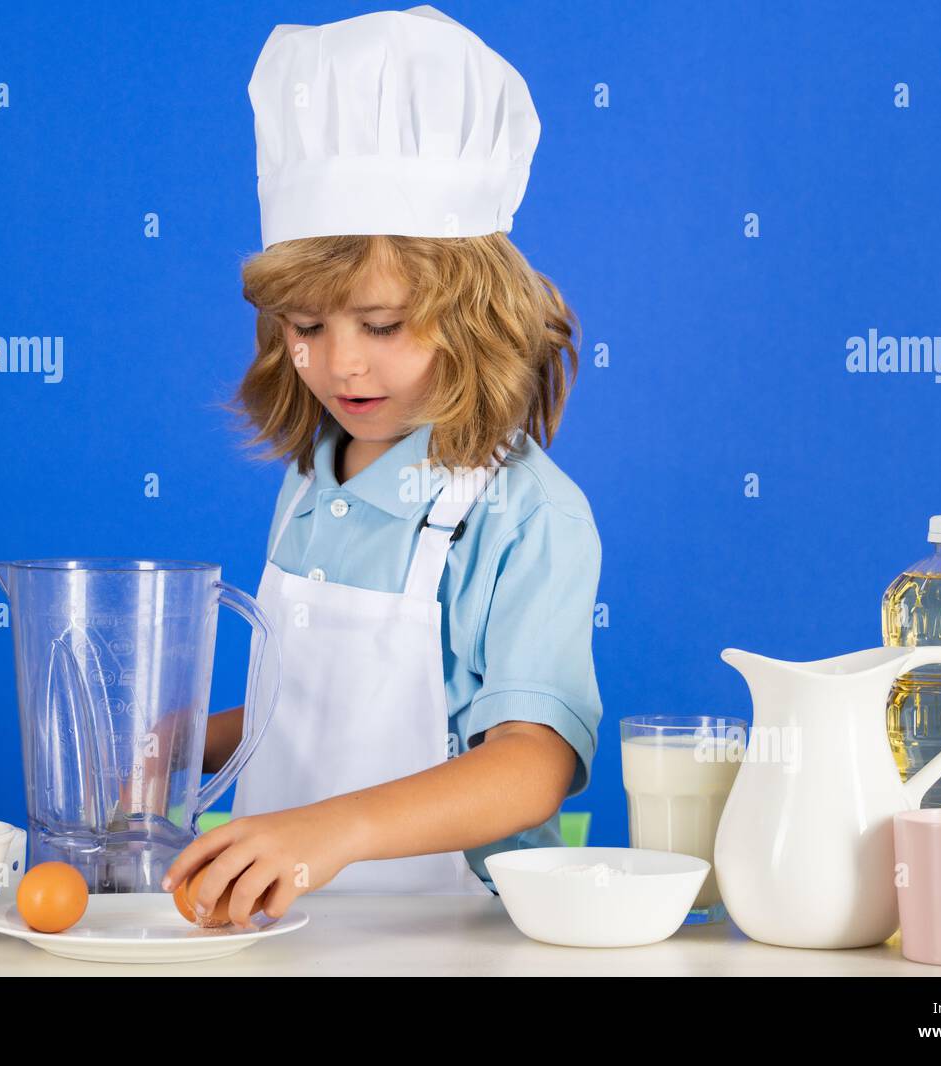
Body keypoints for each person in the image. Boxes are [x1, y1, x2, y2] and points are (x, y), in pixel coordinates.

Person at [162, 5, 601, 925]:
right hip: (282, 924)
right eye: (308, 329)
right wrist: (197, 744)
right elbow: (324, 716)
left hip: (454, 933)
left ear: (479, 314)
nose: (340, 364)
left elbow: (532, 761)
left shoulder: (524, 513)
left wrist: (329, 832)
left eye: (383, 326)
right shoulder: (313, 479)